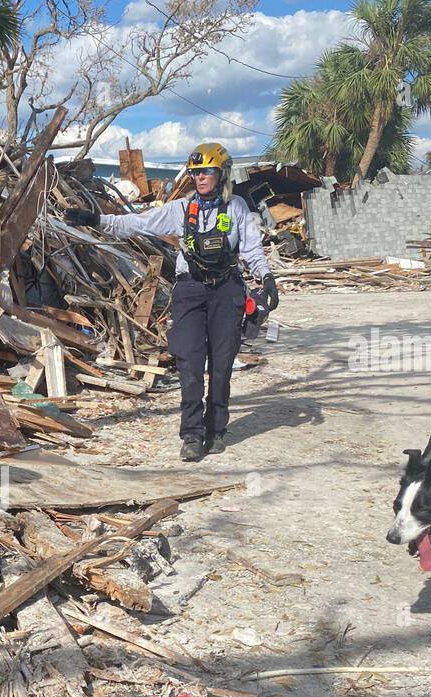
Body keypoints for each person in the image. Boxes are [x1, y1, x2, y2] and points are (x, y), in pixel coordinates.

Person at [65, 143, 279, 461]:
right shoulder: (180, 209)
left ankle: (216, 429)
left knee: (221, 366)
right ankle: (192, 434)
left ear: (222, 174)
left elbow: (251, 250)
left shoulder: (236, 208)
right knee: (190, 365)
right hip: (190, 291)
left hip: (227, 292)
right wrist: (95, 219)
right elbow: (137, 223)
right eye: (195, 173)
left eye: (206, 172)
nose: (200, 178)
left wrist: (266, 277)